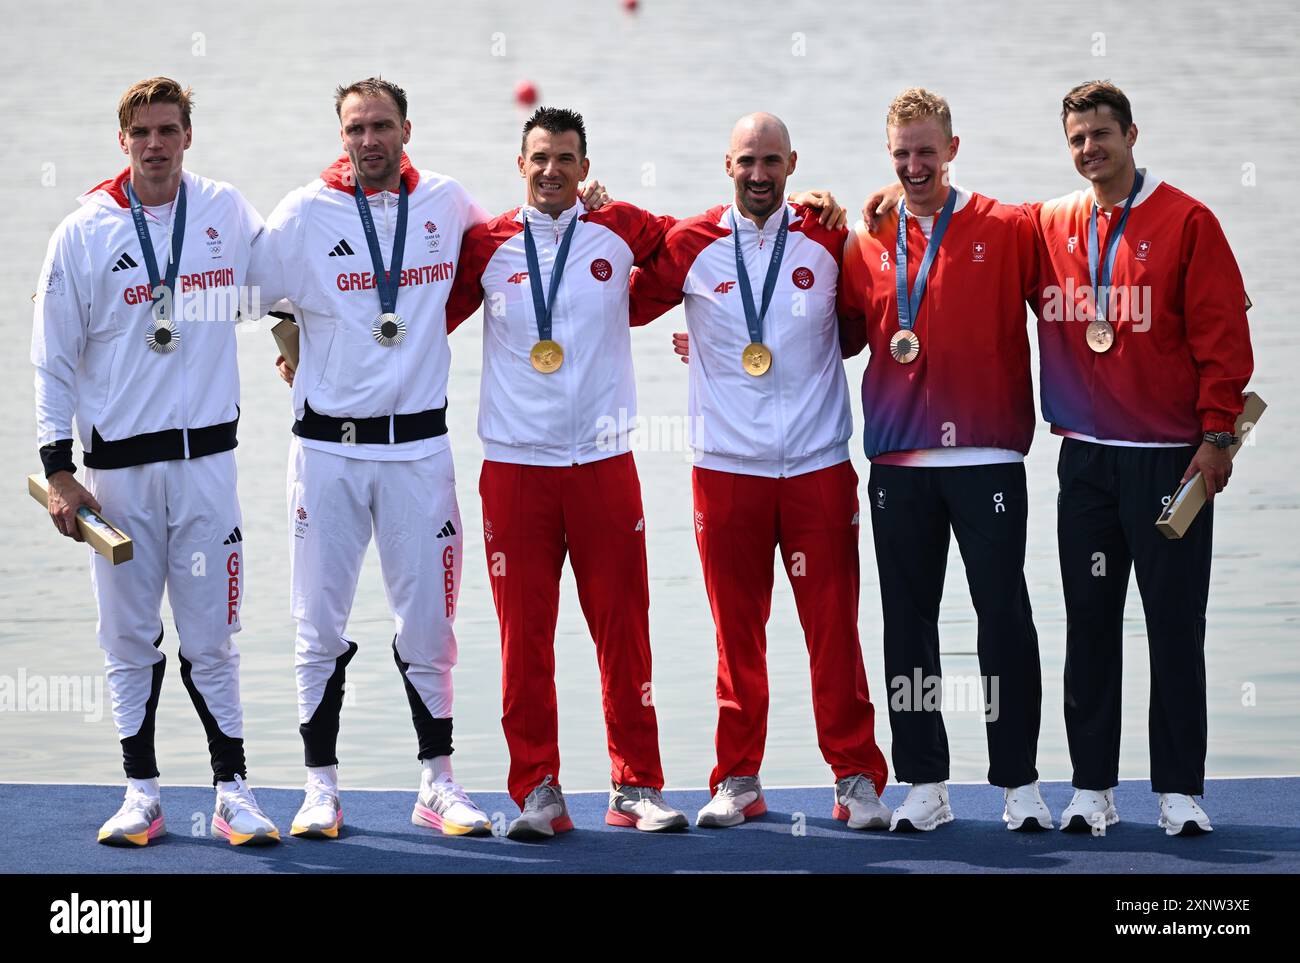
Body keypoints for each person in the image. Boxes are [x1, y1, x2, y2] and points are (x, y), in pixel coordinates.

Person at [32, 77, 278, 846]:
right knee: (127, 638)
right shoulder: (83, 231)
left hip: (207, 464)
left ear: (188, 137)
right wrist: (57, 464)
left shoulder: (225, 210)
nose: (155, 145)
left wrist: (292, 342)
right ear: (123, 142)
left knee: (213, 638)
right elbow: (51, 358)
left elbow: (287, 281)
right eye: (141, 133)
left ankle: (234, 792)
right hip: (117, 475)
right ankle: (141, 792)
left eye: (168, 130)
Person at [630, 112, 891, 830]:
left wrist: (871, 206)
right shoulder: (693, 243)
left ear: (793, 164)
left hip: (816, 468)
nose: (759, 174)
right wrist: (597, 207)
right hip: (725, 470)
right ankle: (738, 778)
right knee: (735, 636)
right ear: (727, 164)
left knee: (834, 631)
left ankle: (856, 778)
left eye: (772, 161)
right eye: (747, 160)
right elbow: (610, 301)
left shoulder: (829, 236)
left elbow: (867, 319)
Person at [251, 77, 492, 839]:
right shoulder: (303, 211)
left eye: (381, 126)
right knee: (316, 623)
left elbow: (515, 247)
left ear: (407, 130)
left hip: (420, 449)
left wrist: (589, 199)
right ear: (341, 136)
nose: (368, 142)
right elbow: (246, 292)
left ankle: (438, 783)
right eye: (355, 129)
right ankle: (319, 787)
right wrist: (290, 343)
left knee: (430, 622)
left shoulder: (447, 203)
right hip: (327, 451)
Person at [1030, 81, 1253, 835]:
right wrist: (882, 212)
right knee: (1088, 622)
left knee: (1174, 624)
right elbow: (968, 244)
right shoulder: (1052, 223)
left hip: (1170, 462)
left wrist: (1218, 435)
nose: (1090, 148)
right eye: (1077, 139)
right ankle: (1091, 788)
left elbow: (1224, 338)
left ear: (1132, 133)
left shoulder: (1189, 220)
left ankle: (1180, 790)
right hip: (1086, 462)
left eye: (1101, 133)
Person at [838, 89, 1049, 832]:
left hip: (988, 455)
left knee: (1005, 620)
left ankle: (1019, 782)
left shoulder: (1008, 226)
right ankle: (925, 781)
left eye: (927, 151)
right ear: (888, 154)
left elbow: (1078, 284)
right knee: (908, 626)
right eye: (902, 153)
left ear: (953, 148)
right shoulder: (864, 239)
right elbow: (824, 338)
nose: (915, 165)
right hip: (899, 462)